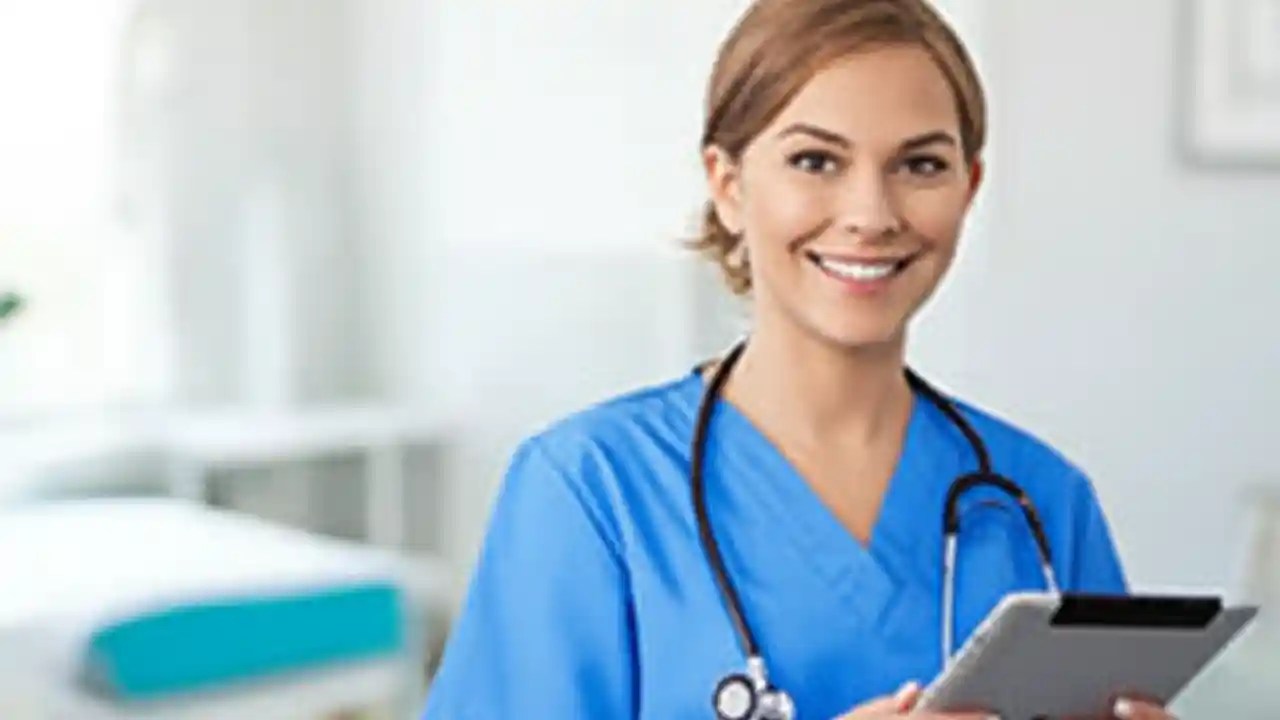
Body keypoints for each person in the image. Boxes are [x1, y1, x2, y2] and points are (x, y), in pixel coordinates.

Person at [422, 1, 1175, 718]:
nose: (871, 216)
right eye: (815, 160)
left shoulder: (1040, 503)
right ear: (727, 184)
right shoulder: (591, 492)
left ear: (969, 187)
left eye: (920, 165)